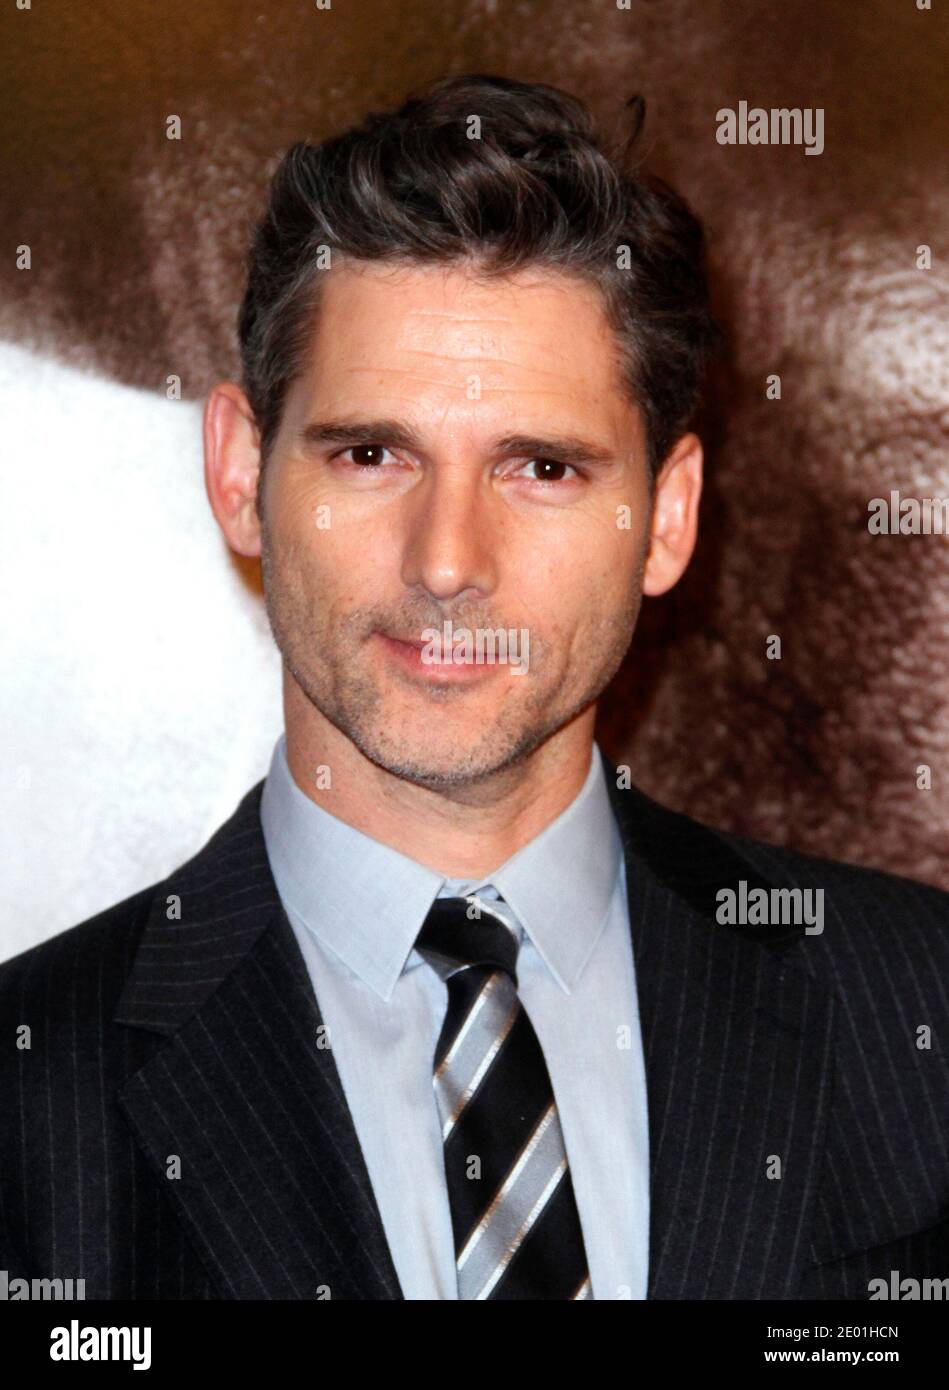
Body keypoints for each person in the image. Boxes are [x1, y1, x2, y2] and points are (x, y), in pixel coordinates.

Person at [2, 74, 947, 1302]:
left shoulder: (916, 1014)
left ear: (666, 517)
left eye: (542, 467)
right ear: (239, 471)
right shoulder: (27, 1111)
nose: (448, 559)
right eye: (371, 452)